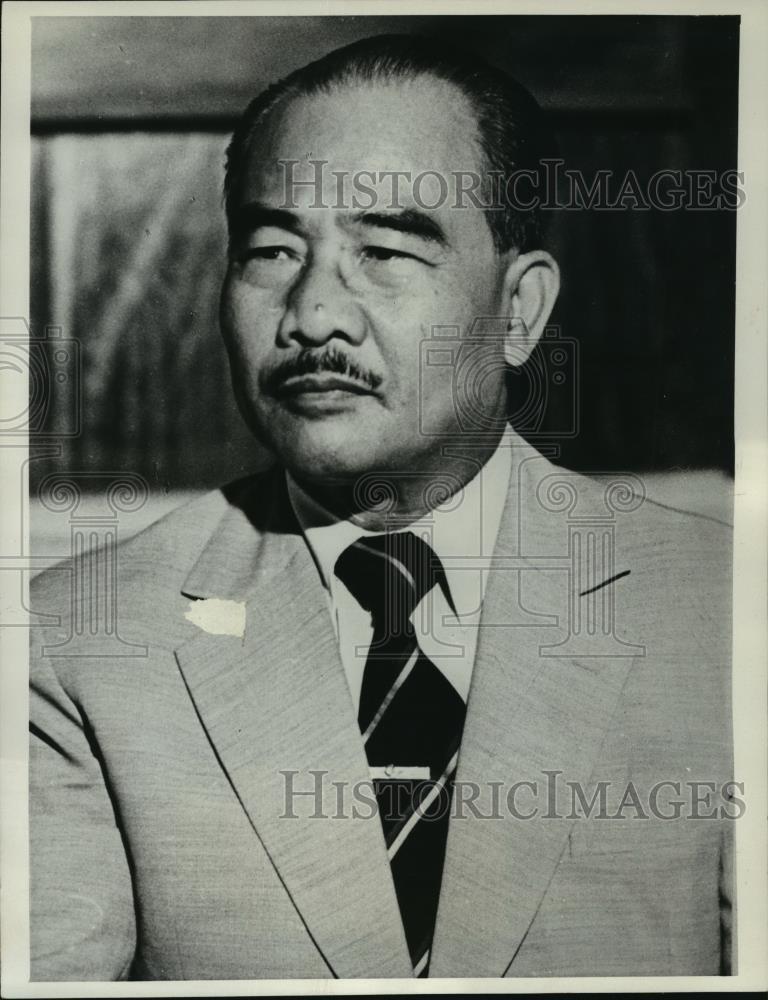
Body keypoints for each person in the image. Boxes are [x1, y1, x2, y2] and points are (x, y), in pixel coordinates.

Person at [29, 34, 734, 981]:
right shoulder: (81, 641)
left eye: (386, 250)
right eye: (272, 250)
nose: (313, 314)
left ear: (520, 311)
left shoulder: (724, 611)